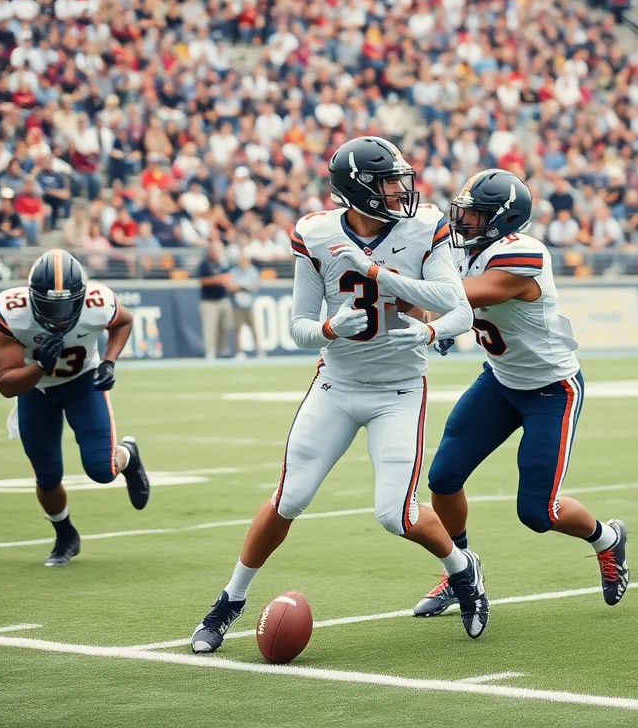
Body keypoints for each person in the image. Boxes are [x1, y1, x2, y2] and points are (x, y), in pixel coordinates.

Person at [190, 136, 484, 653]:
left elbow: (455, 305)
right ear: (360, 189)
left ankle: (462, 570)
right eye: (389, 181)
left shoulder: (425, 226)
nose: (400, 190)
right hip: (337, 383)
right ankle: (228, 602)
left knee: (396, 514)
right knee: (289, 497)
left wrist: (415, 312)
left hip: (398, 388)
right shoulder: (316, 233)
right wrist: (330, 329)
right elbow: (299, 326)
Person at [411, 170, 629, 619]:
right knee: (443, 477)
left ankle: (607, 538)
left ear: (503, 220)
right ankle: (460, 572)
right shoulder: (462, 251)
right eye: (464, 211)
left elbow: (460, 295)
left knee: (538, 512)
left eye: (476, 214)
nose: (465, 220)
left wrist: (394, 285)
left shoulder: (522, 254)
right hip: (500, 379)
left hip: (551, 389)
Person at [0, 249, 150, 567]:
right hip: (35, 390)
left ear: (82, 296)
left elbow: (124, 322)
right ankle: (65, 535)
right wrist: (39, 367)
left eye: (66, 304)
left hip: (83, 382)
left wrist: (109, 361)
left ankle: (128, 455)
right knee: (47, 477)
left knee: (102, 470)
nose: (59, 314)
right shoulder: (13, 311)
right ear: (33, 297)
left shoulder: (98, 301)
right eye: (51, 305)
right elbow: (6, 384)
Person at [197, 241, 234, 361]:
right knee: (209, 328)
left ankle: (222, 350)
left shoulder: (221, 263)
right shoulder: (204, 264)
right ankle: (210, 352)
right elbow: (202, 281)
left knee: (225, 326)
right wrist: (218, 279)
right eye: (214, 250)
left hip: (222, 299)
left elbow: (229, 277)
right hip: (209, 301)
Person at [229, 250, 263, 359]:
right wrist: (243, 287)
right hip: (237, 305)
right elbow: (231, 287)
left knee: (254, 328)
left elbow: (255, 286)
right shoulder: (234, 271)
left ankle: (258, 351)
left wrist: (241, 286)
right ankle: (239, 352)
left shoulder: (252, 271)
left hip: (249, 304)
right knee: (237, 330)